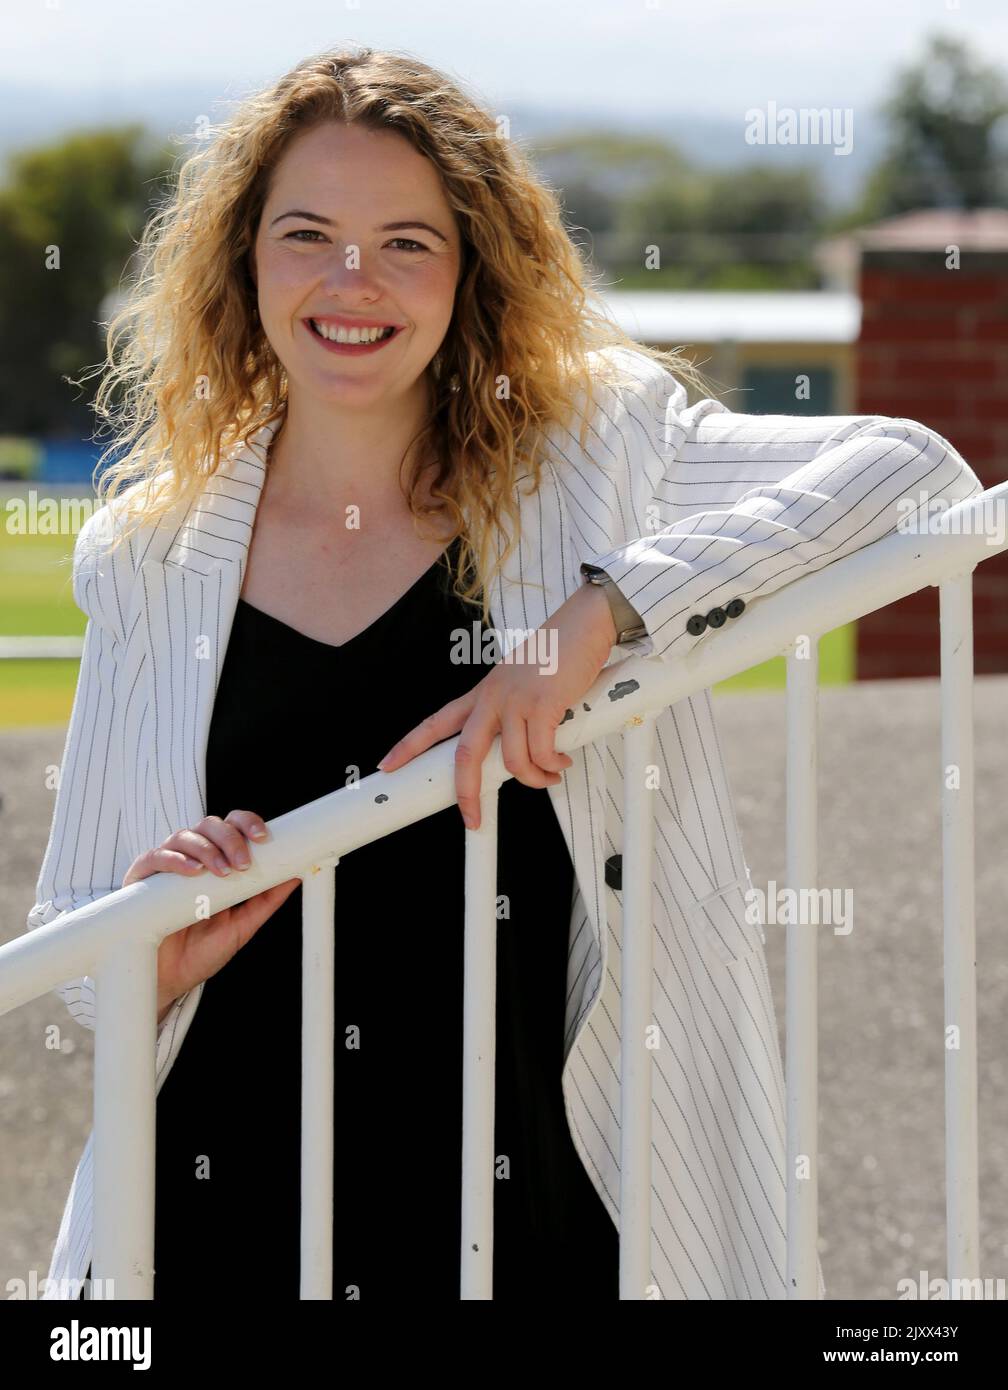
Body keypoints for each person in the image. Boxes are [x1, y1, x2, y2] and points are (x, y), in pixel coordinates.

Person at [28, 46, 982, 1302]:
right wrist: (153, 947)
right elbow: (75, 952)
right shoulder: (147, 555)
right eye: (307, 234)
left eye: (407, 242)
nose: (352, 280)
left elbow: (918, 480)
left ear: (472, 265)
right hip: (228, 1212)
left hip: (534, 1206)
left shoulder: (596, 458)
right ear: (244, 257)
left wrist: (606, 612)